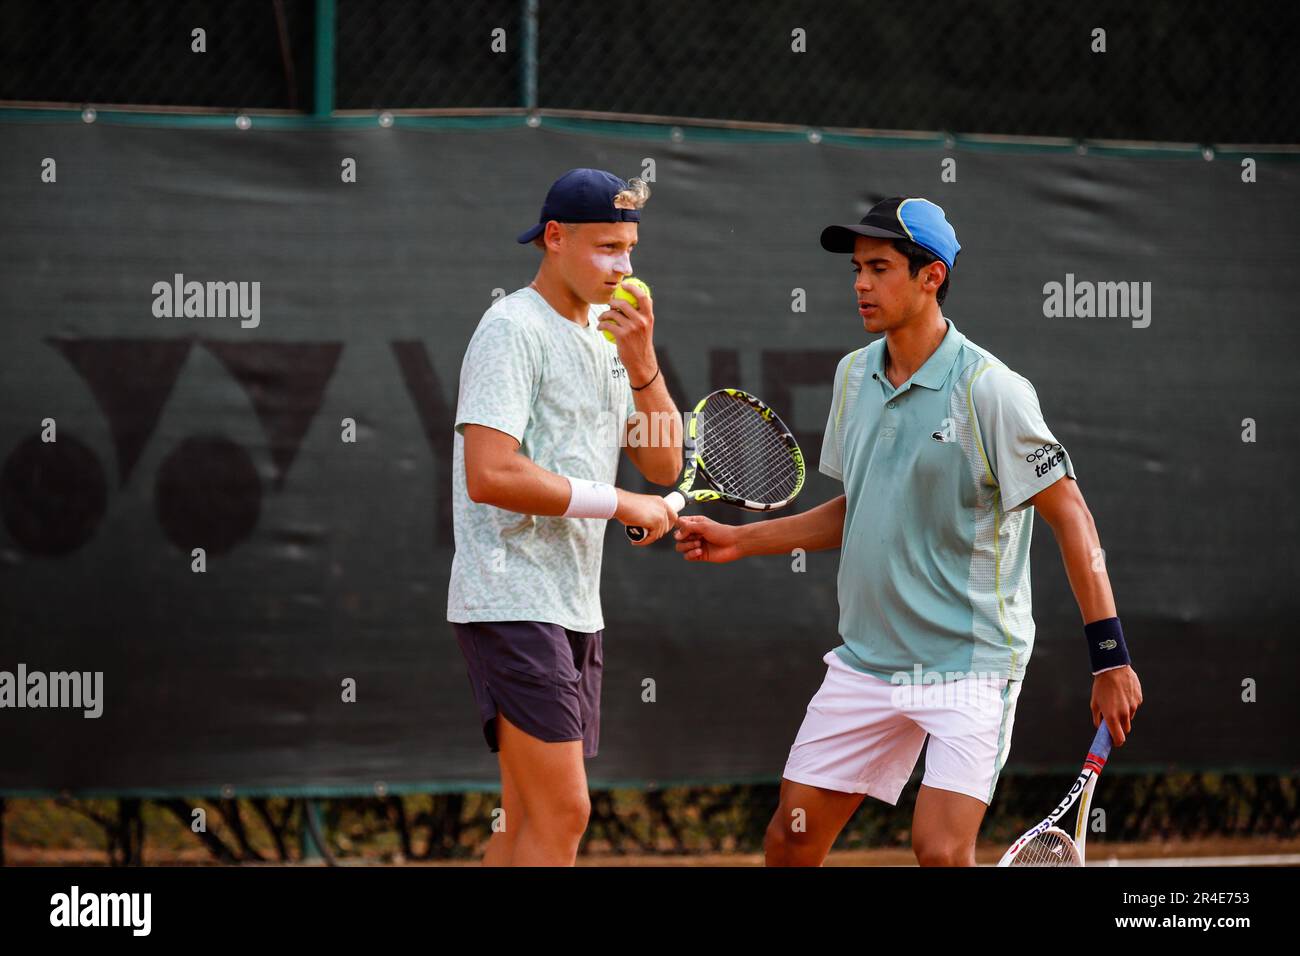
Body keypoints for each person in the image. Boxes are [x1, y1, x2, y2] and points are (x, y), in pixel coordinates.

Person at [673, 196, 1143, 866]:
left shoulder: (991, 390)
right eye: (857, 268)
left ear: (932, 277)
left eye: (881, 267)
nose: (861, 283)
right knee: (791, 839)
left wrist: (1111, 656)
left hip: (969, 667)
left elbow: (1072, 515)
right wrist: (741, 538)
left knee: (941, 853)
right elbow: (858, 508)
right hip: (868, 663)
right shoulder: (850, 377)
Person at [448, 168, 683, 865]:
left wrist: (642, 362)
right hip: (510, 596)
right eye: (607, 247)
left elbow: (664, 470)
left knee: (519, 819)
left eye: (631, 250)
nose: (624, 267)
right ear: (555, 239)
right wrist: (619, 503)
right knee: (565, 810)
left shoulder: (611, 340)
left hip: (575, 605)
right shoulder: (511, 329)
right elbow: (489, 473)